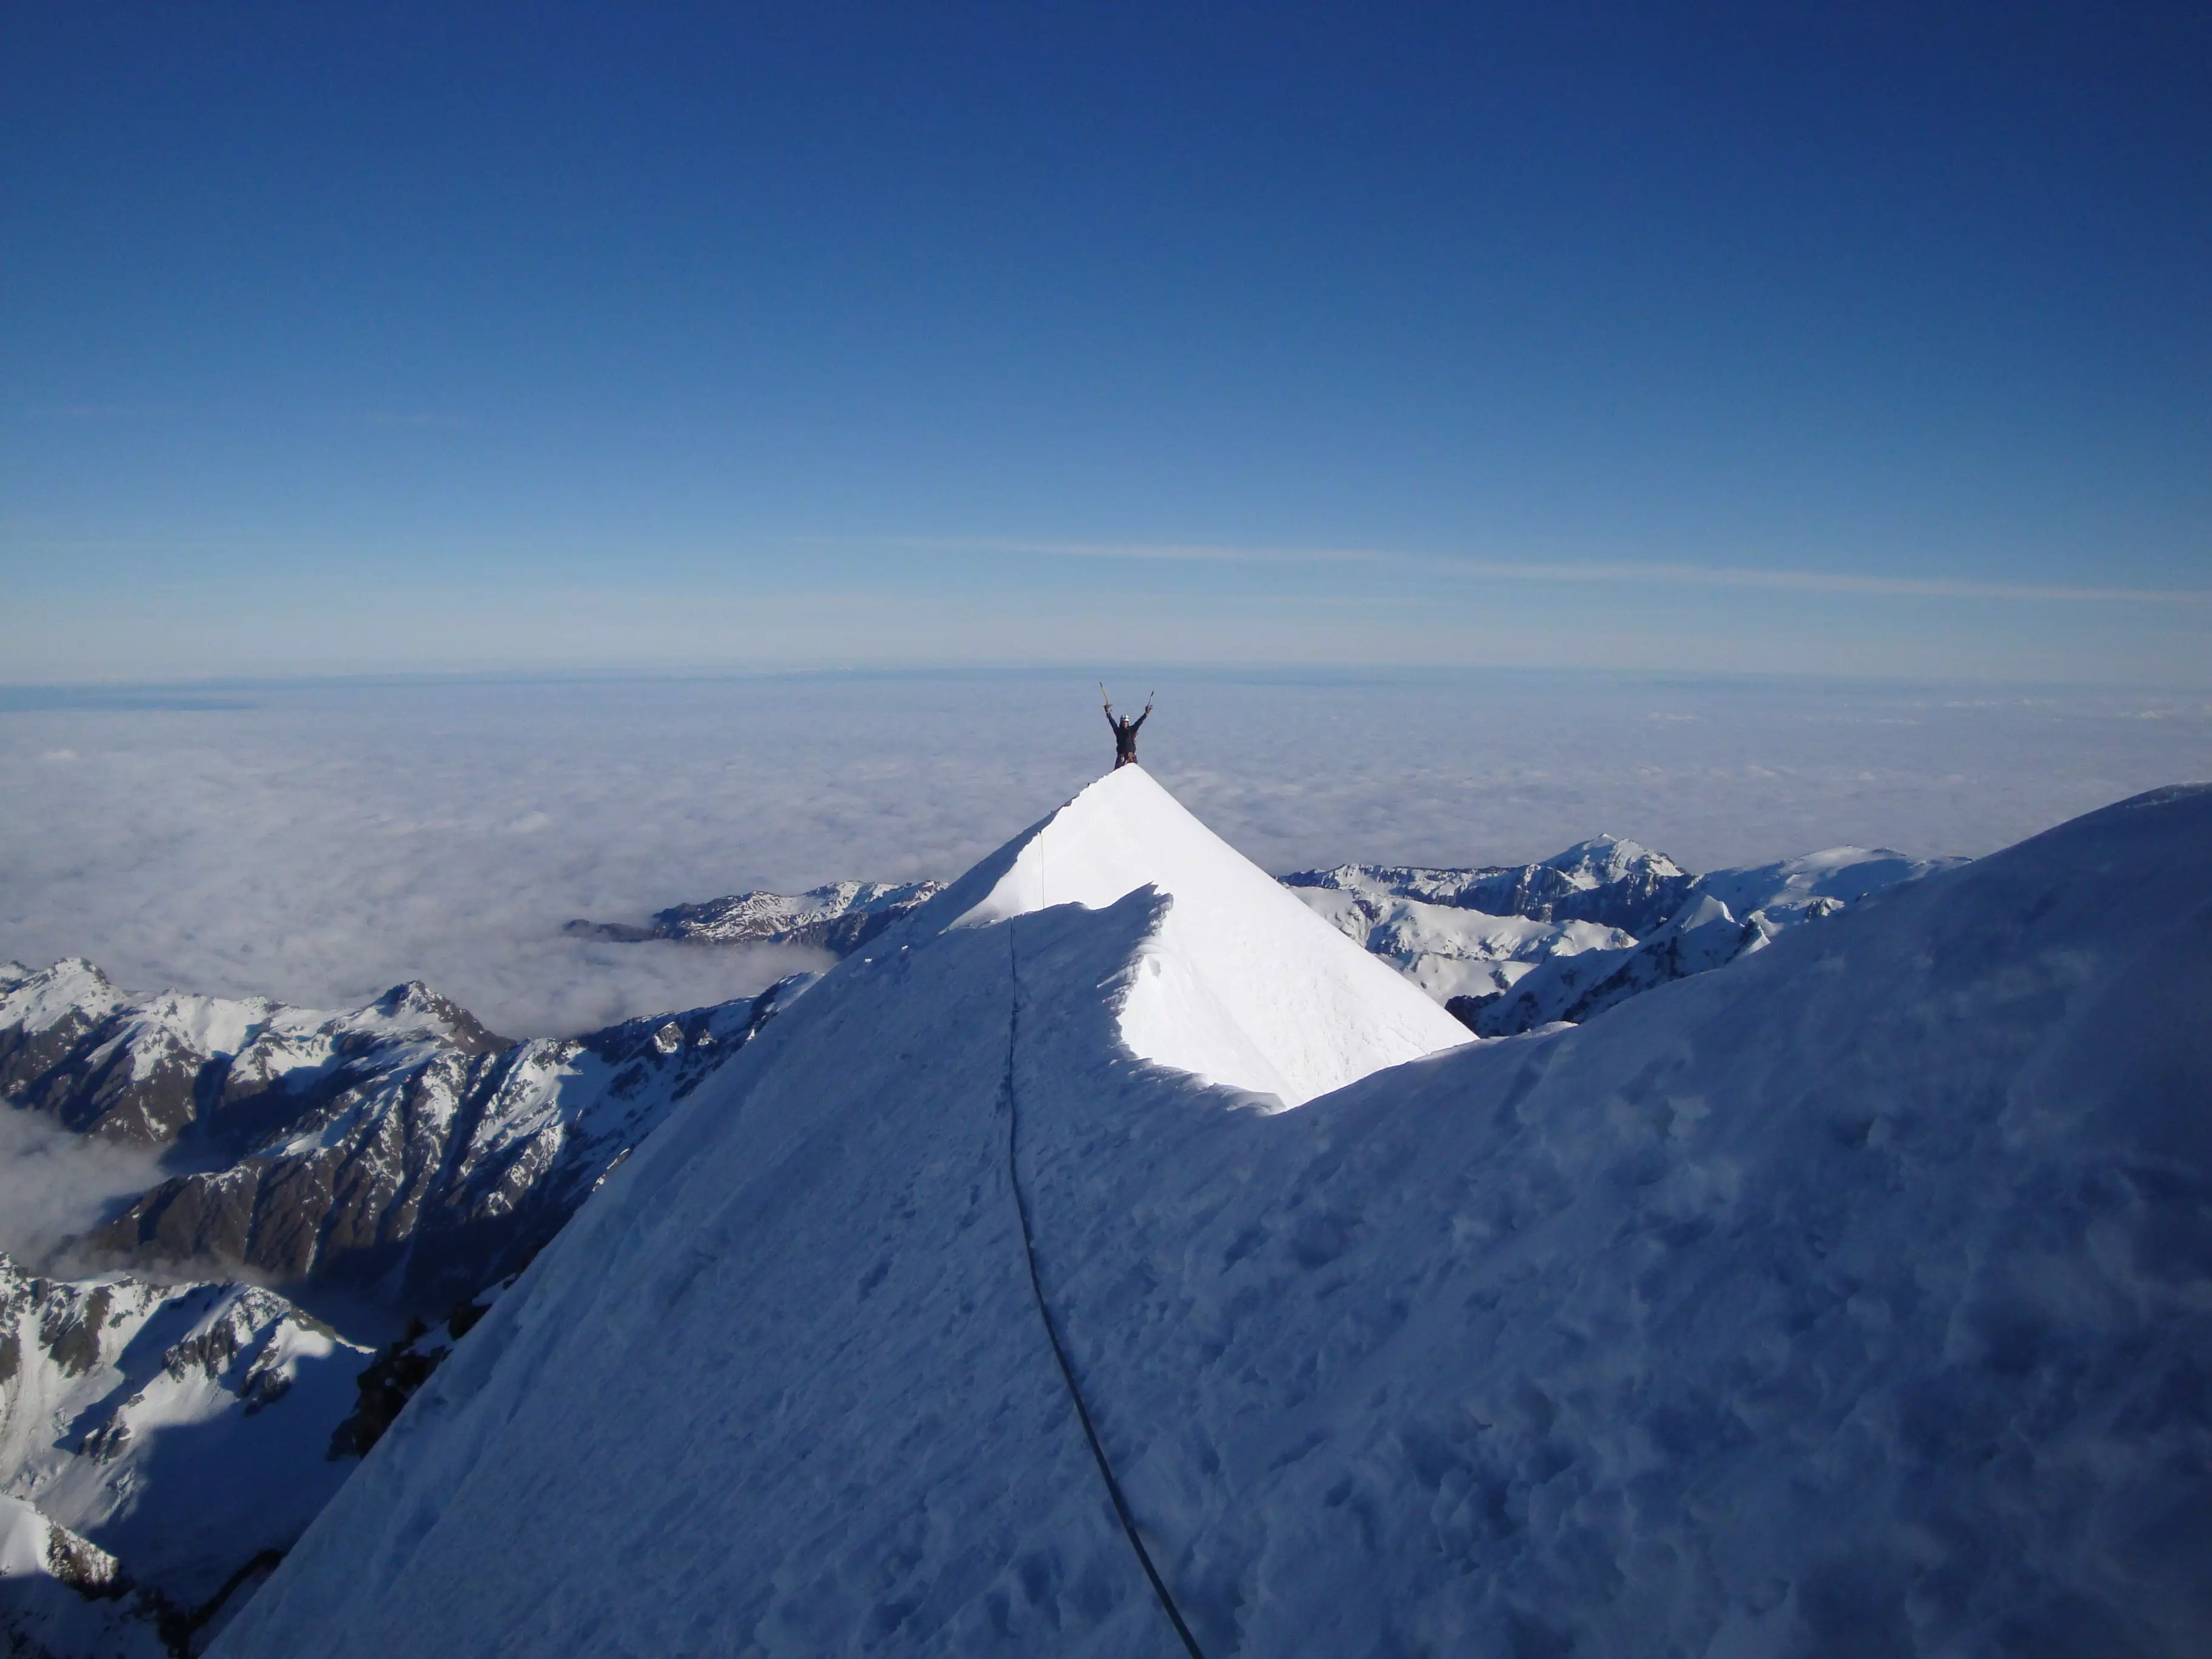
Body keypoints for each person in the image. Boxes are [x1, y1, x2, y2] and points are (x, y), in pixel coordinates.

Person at [1102, 686, 1151, 768]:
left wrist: (1146, 714)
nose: (1125, 724)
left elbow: (1139, 722)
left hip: (1131, 757)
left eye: (1126, 722)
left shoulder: (1131, 730)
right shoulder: (1118, 731)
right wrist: (1108, 714)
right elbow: (1112, 722)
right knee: (1117, 773)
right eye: (1123, 722)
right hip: (1121, 757)